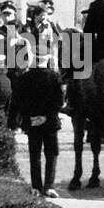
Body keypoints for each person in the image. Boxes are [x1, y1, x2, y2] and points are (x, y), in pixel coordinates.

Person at [12, 50, 64, 198]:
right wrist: (46, 116)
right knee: (51, 154)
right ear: (46, 59)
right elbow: (59, 102)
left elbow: (18, 102)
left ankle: (36, 186)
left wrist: (30, 117)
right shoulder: (55, 77)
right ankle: (49, 186)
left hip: (32, 122)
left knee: (35, 155)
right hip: (50, 122)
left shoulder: (24, 78)